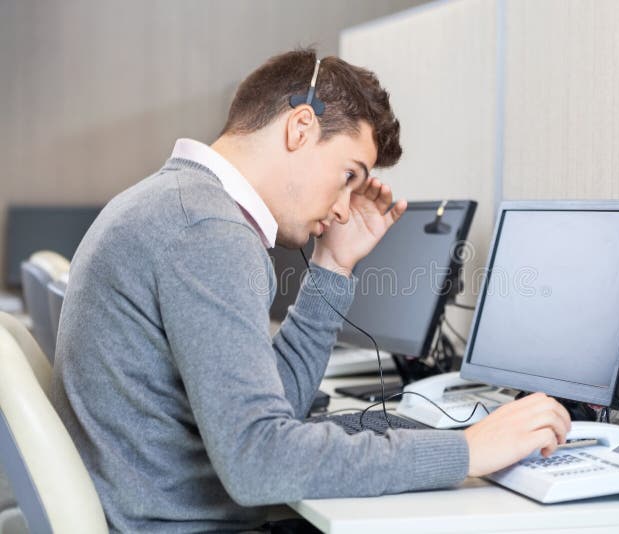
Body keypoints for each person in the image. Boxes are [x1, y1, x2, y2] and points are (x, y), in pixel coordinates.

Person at [52, 49, 571, 533]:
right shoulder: (205, 230)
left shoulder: (182, 205)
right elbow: (260, 462)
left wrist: (334, 263)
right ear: (301, 127)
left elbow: (272, 412)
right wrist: (466, 451)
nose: (345, 207)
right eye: (348, 174)